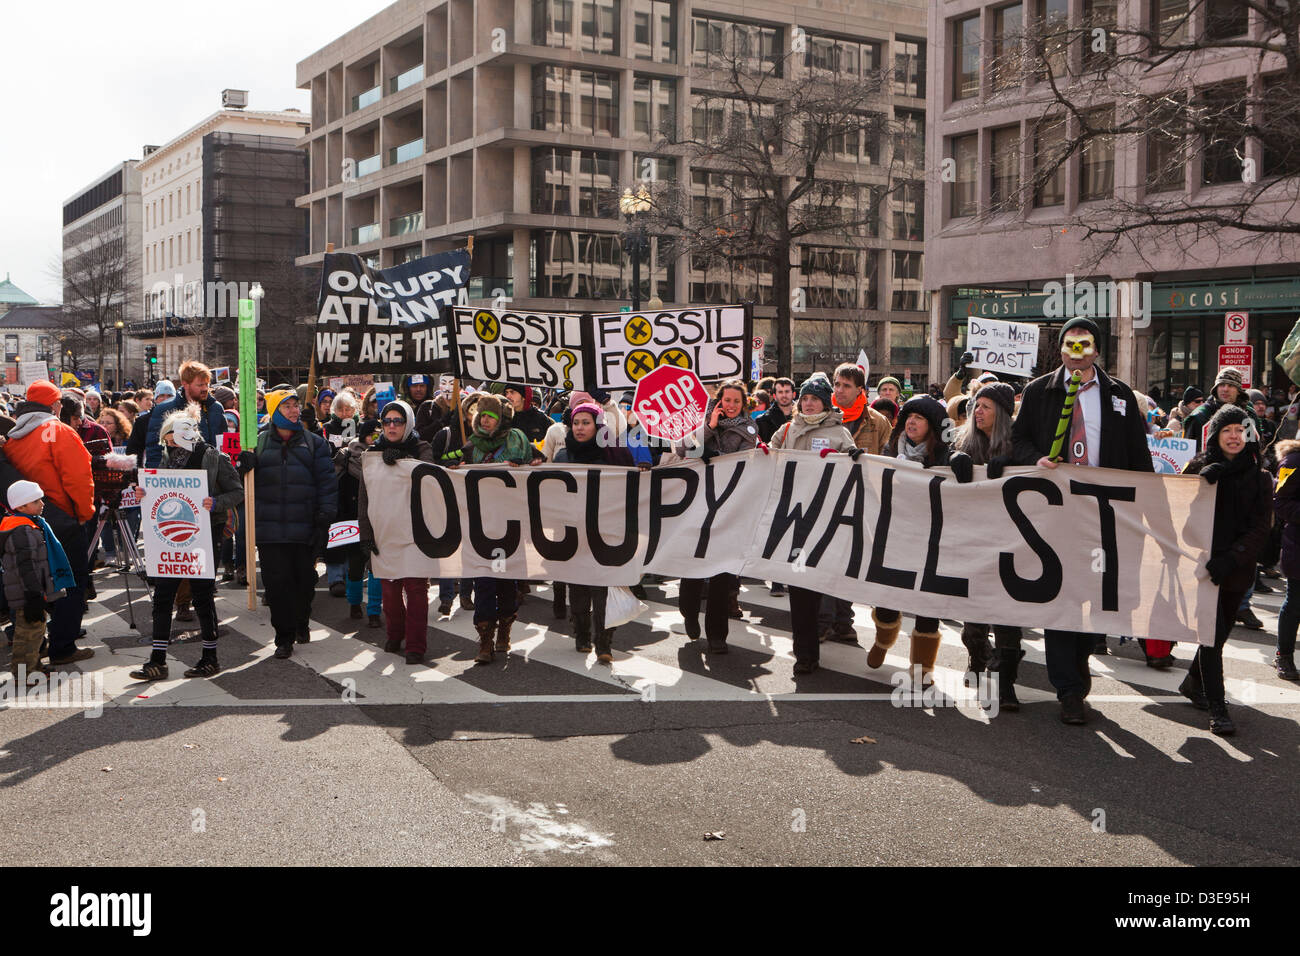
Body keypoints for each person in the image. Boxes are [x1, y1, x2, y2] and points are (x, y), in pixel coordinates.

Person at [1011, 317, 1154, 725]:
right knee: (1061, 597)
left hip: (1103, 516)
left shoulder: (1119, 395)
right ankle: (1069, 689)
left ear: (1096, 350)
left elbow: (1138, 457)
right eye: (1069, 344)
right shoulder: (1039, 393)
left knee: (1092, 597)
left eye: (1084, 344)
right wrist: (1035, 459)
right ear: (1060, 349)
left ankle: (1079, 666)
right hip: (1055, 514)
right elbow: (1018, 441)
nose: (1077, 350)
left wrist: (1145, 511)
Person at [128, 412, 243, 681]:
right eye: (166, 440)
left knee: (202, 595)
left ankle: (210, 657)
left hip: (204, 534)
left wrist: (215, 503)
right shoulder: (170, 457)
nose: (167, 444)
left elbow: (237, 491)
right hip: (172, 538)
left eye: (170, 438)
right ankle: (157, 660)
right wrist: (145, 492)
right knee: (163, 595)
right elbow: (162, 488)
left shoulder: (214, 458)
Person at [1179, 405, 1273, 735]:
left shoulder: (1261, 477)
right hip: (1202, 568)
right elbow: (1178, 512)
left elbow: (1260, 527)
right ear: (1216, 436)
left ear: (1249, 435)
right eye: (1226, 430)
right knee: (1211, 636)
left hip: (1235, 569)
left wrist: (1232, 559)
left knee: (1218, 636)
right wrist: (1198, 481)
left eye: (1239, 430)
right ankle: (1218, 709)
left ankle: (1192, 682)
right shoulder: (1199, 467)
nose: (1233, 436)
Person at [237, 390, 338, 659]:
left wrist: (326, 513)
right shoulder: (256, 443)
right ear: (274, 411)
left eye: (295, 405)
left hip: (304, 525)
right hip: (270, 529)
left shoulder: (314, 443)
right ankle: (284, 636)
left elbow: (327, 481)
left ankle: (302, 620)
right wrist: (243, 466)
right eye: (287, 407)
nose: (294, 411)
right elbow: (244, 486)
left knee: (304, 581)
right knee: (276, 584)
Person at [2, 380, 96, 665]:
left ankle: (36, 641)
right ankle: (63, 646)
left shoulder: (13, 437)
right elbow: (79, 478)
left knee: (35, 582)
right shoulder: (59, 430)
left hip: (23, 520)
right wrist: (83, 513)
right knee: (71, 581)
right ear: (55, 405)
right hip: (61, 519)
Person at [769, 373, 855, 673]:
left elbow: (851, 466)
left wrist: (853, 458)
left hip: (825, 520)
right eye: (804, 398)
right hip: (794, 520)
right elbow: (769, 455)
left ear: (825, 402)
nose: (807, 404)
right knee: (799, 586)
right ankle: (804, 654)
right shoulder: (787, 428)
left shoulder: (839, 433)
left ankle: (825, 630)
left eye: (814, 399)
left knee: (820, 584)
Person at [864, 395, 953, 682]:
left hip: (931, 538)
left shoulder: (946, 457)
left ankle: (923, 666)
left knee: (929, 602)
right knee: (888, 595)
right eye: (909, 417)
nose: (912, 422)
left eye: (920, 418)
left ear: (933, 427)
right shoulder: (892, 448)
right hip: (895, 534)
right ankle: (883, 640)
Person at [950, 381, 1026, 710]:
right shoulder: (965, 442)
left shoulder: (1018, 445)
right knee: (974, 616)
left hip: (1011, 542)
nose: (976, 411)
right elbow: (938, 466)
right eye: (975, 406)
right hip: (975, 541)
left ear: (1002, 413)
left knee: (1008, 616)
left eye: (985, 406)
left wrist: (1010, 466)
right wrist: (954, 459)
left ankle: (1005, 682)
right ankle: (977, 658)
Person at [677, 380, 762, 655]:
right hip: (698, 504)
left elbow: (739, 461)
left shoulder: (749, 429)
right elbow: (684, 449)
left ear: (743, 403)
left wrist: (715, 456)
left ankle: (717, 634)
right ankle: (689, 613)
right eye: (727, 400)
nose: (731, 405)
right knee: (693, 565)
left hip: (729, 507)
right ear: (719, 400)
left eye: (736, 401)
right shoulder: (702, 420)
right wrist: (710, 427)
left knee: (721, 572)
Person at [450, 392, 534, 664]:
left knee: (506, 582)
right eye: (482, 416)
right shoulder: (470, 445)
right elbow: (443, 461)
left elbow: (538, 460)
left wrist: (522, 464)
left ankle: (504, 631)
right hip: (479, 524)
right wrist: (453, 466)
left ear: (501, 419)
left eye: (492, 417)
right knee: (483, 580)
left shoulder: (516, 439)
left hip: (510, 523)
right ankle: (485, 639)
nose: (486, 421)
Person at [554, 402, 637, 663]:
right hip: (573, 532)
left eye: (586, 423)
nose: (579, 428)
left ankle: (604, 641)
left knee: (603, 589)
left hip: (606, 531)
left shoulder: (615, 454)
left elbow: (631, 486)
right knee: (578, 588)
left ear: (598, 425)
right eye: (576, 423)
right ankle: (581, 633)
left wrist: (642, 473)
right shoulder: (563, 457)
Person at [358, 401, 435, 664]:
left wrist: (403, 461)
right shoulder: (371, 454)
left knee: (415, 590)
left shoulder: (421, 448)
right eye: (387, 421)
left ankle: (415, 646)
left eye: (398, 421)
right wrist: (365, 535)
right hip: (384, 531)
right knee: (389, 591)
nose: (392, 426)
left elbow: (428, 479)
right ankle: (394, 633)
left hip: (416, 532)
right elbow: (364, 498)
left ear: (408, 423)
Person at [820, 363, 893, 638]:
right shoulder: (822, 417)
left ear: (860, 390)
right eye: (837, 384)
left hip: (862, 501)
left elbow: (890, 460)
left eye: (846, 386)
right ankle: (824, 621)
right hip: (827, 500)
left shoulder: (878, 422)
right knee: (826, 561)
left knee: (850, 563)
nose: (839, 390)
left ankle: (844, 621)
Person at [1, 480, 74, 685]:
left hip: (31, 590)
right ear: (21, 506)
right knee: (27, 634)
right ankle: (23, 674)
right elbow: (26, 565)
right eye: (35, 500)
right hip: (27, 593)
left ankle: (34, 665)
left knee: (36, 632)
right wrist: (34, 594)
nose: (42, 503)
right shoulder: (21, 530)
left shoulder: (28, 523)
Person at [337, 418, 384, 627]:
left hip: (378, 518)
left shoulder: (384, 457)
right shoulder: (349, 457)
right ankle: (354, 603)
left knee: (376, 567)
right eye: (372, 433)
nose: (375, 438)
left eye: (378, 434)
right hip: (353, 518)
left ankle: (374, 612)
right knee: (355, 567)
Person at [145, 362, 227, 467]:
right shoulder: (164, 410)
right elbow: (155, 450)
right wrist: (157, 477)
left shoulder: (216, 408)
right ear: (185, 384)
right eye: (200, 385)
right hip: (178, 478)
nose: (205, 389)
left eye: (207, 384)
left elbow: (223, 447)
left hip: (210, 476)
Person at [1271, 436, 1300, 681]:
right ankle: (1284, 655)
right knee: (1295, 601)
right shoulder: (1292, 461)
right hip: (1298, 544)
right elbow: (1280, 503)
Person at [1181, 368, 1259, 453]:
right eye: (1222, 385)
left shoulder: (1249, 415)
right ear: (1216, 388)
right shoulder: (1200, 415)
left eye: (1231, 385)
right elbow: (1186, 452)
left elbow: (1254, 449)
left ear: (1238, 391)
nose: (1225, 389)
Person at [757, 378, 795, 443]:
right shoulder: (762, 421)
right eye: (780, 392)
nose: (784, 395)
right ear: (774, 396)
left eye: (787, 391)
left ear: (794, 394)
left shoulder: (803, 417)